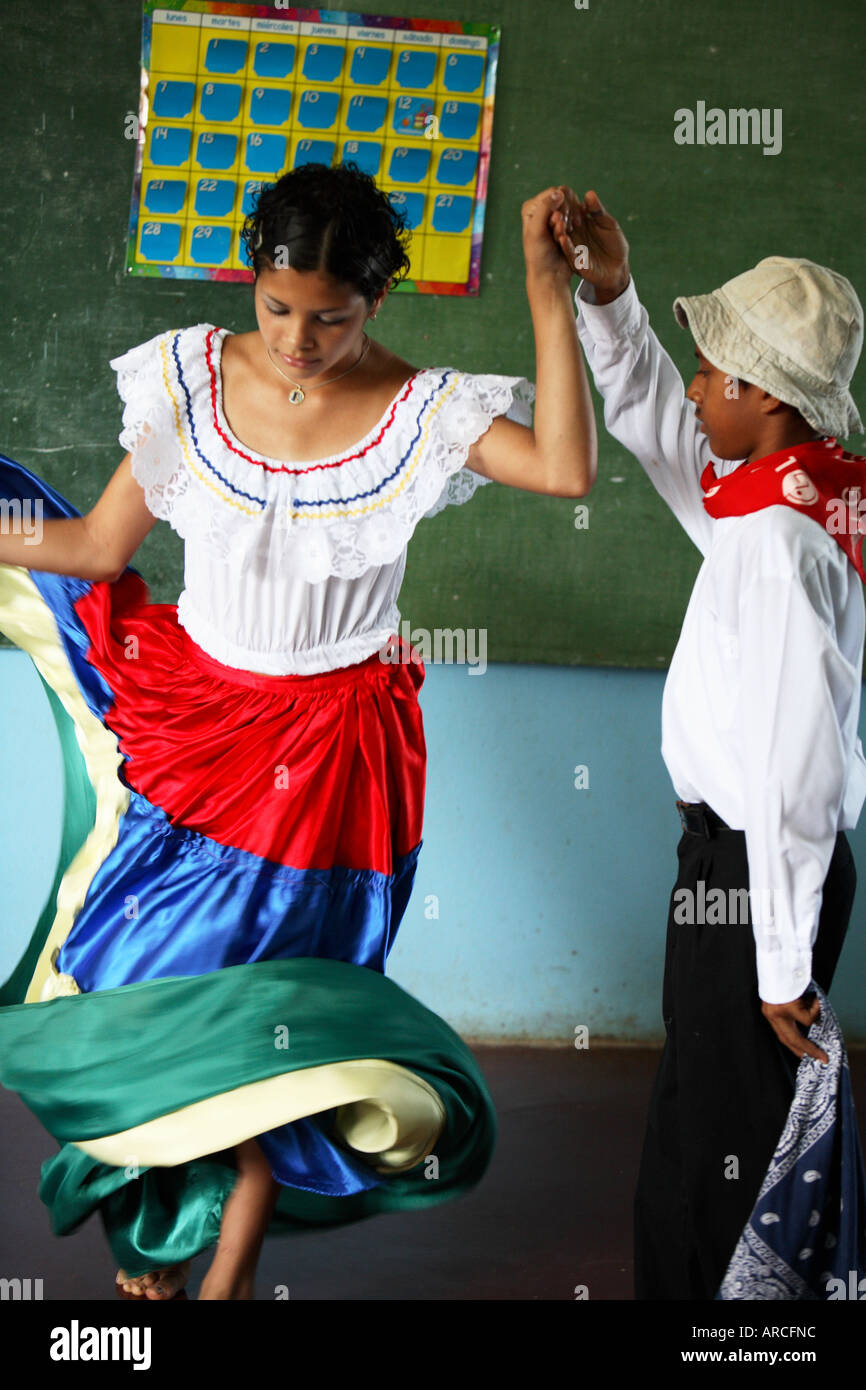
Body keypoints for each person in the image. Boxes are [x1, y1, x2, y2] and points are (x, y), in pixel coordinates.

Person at [0, 163, 595, 1300]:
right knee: (136, 975)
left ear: (377, 300)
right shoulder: (192, 378)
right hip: (191, 718)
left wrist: (544, 288)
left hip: (325, 752)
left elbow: (565, 467)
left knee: (270, 1007)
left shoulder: (421, 413)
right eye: (277, 307)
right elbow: (92, 550)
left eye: (332, 316)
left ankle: (229, 1262)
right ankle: (162, 1219)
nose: (297, 339)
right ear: (253, 279)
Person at [549, 189, 866, 1298]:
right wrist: (606, 291)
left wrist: (778, 958)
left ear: (763, 396)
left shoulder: (777, 541)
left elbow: (793, 769)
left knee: (725, 1139)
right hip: (733, 868)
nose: (694, 386)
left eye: (713, 370)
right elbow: (653, 419)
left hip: (754, 870)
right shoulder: (783, 495)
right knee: (700, 1120)